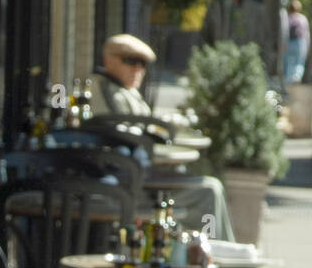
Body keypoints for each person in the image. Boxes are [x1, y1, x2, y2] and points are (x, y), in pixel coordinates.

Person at [89, 33, 236, 241]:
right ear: (109, 59)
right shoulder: (105, 90)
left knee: (212, 186)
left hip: (141, 179)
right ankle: (210, 254)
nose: (137, 70)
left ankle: (214, 251)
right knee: (209, 191)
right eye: (130, 61)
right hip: (132, 185)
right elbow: (126, 135)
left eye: (142, 64)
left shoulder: (124, 90)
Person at [284, 0, 310, 84]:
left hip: (289, 42)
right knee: (299, 61)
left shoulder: (287, 18)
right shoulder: (302, 18)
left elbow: (285, 32)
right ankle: (297, 76)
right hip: (300, 42)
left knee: (289, 61)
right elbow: (306, 34)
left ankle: (288, 79)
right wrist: (307, 45)